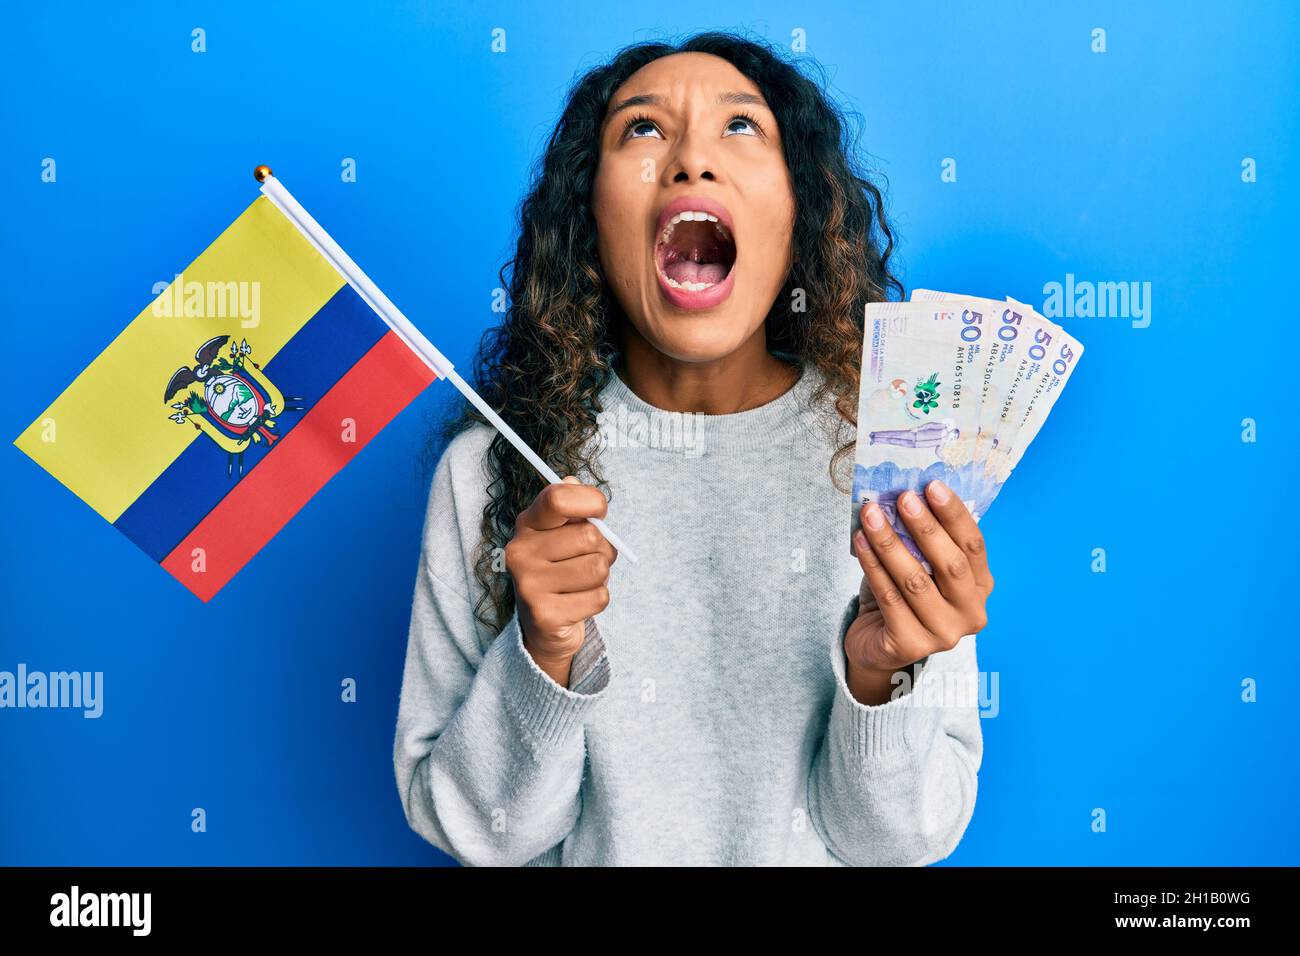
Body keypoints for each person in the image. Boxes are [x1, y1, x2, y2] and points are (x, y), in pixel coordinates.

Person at [393, 31, 993, 866]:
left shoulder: (894, 460)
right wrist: (545, 655)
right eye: (642, 130)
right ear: (588, 222)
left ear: (800, 209)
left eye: (741, 128)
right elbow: (474, 832)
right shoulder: (498, 469)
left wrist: (879, 677)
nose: (690, 162)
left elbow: (898, 842)